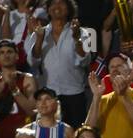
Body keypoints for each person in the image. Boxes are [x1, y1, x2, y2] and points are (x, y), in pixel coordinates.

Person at [28, 0, 91, 129]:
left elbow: (85, 61)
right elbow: (32, 62)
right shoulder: (39, 33)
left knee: (74, 136)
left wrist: (76, 38)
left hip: (75, 95)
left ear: (69, 9)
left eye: (61, 3)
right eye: (53, 3)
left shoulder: (81, 33)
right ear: (48, 9)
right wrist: (39, 40)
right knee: (48, 135)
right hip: (48, 96)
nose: (57, 6)